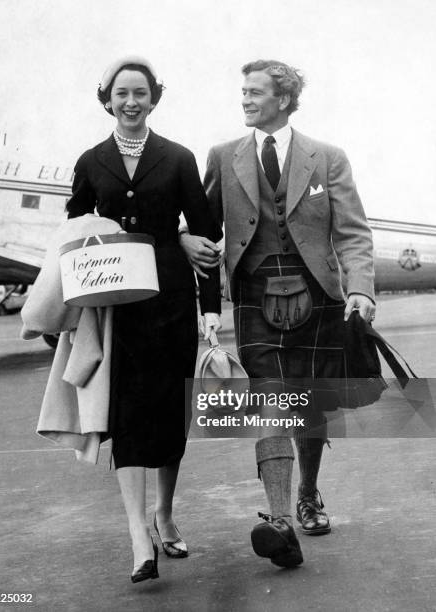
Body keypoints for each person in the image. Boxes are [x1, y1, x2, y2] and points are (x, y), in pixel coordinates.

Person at [180, 59, 375, 568]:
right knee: (270, 399)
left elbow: (353, 233)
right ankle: (279, 518)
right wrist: (184, 239)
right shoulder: (223, 156)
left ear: (284, 100)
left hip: (319, 294)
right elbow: (199, 222)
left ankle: (308, 494)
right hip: (253, 293)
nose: (244, 100)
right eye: (242, 92)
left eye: (255, 93)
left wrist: (362, 291)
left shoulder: (327, 158)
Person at [66, 56, 222, 583]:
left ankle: (164, 512)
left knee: (167, 414)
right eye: (121, 93)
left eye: (140, 93)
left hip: (173, 303)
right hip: (119, 310)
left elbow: (203, 236)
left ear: (154, 97)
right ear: (106, 98)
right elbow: (75, 232)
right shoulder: (91, 162)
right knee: (128, 418)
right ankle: (138, 536)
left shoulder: (178, 158)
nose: (130, 101)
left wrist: (211, 308)